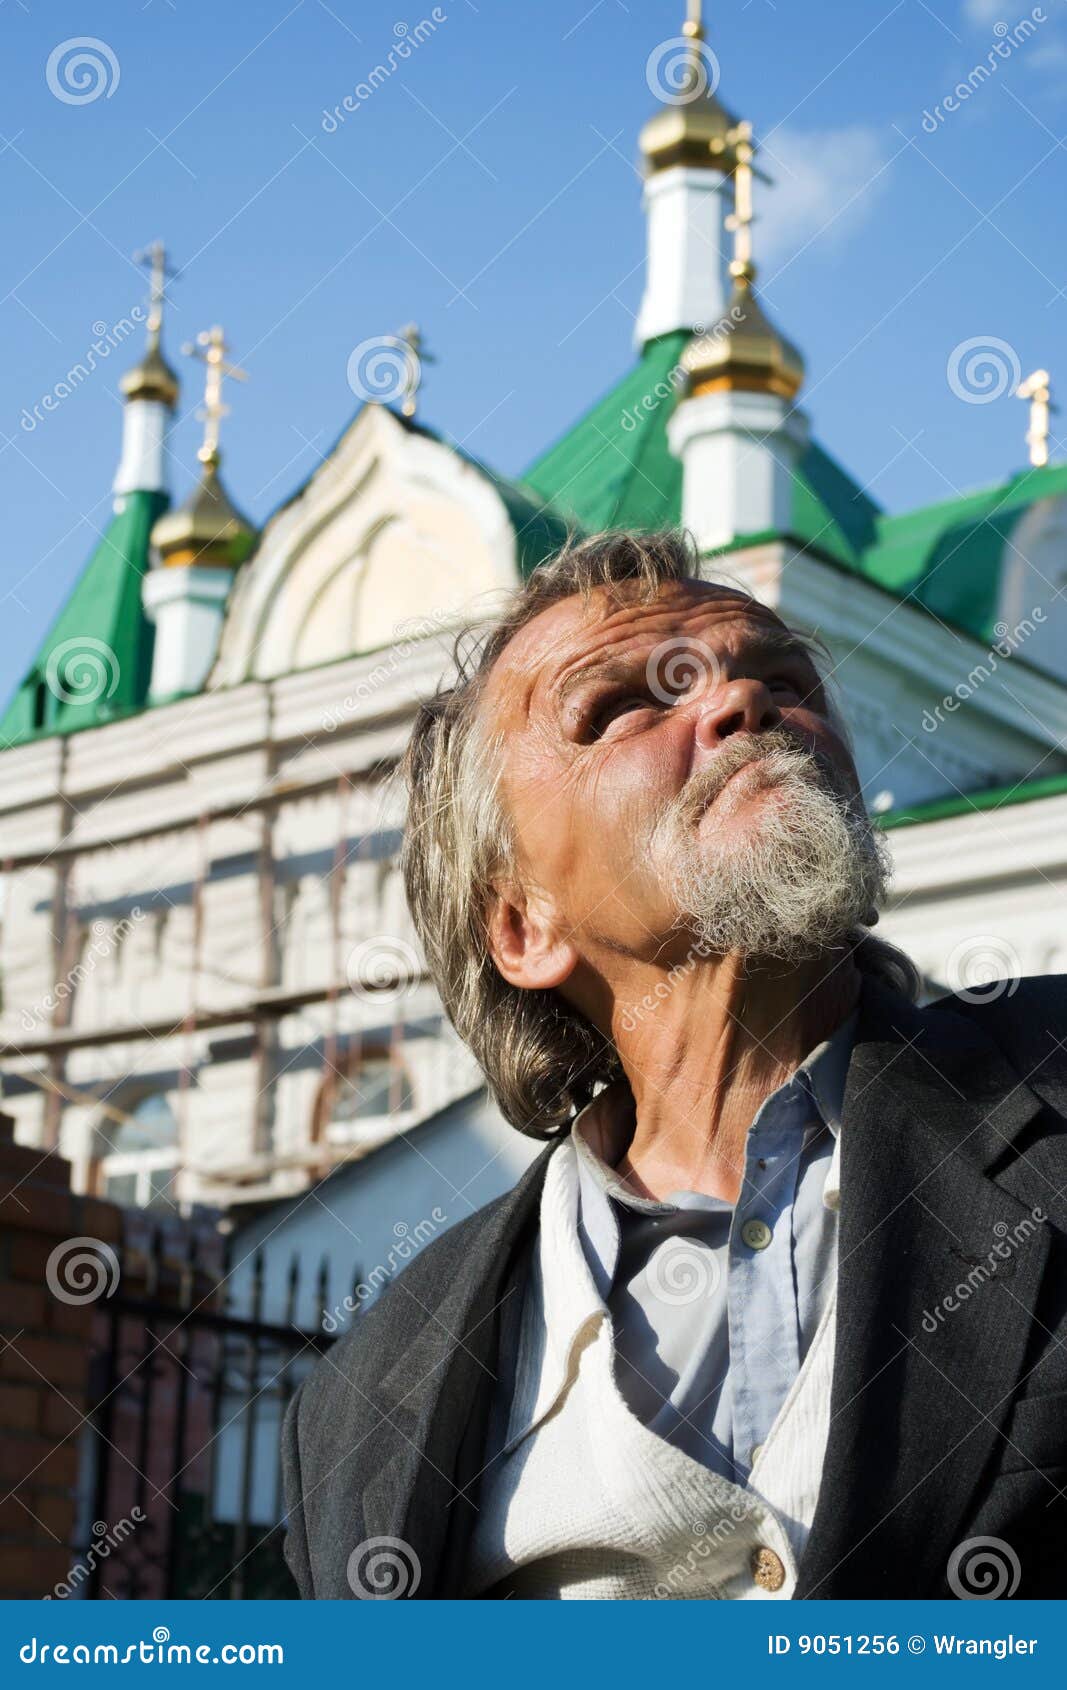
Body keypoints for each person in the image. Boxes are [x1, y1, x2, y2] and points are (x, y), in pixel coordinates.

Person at [282, 529, 1067, 1600]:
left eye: (781, 677)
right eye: (618, 705)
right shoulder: (357, 1401)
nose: (743, 708)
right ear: (521, 926)